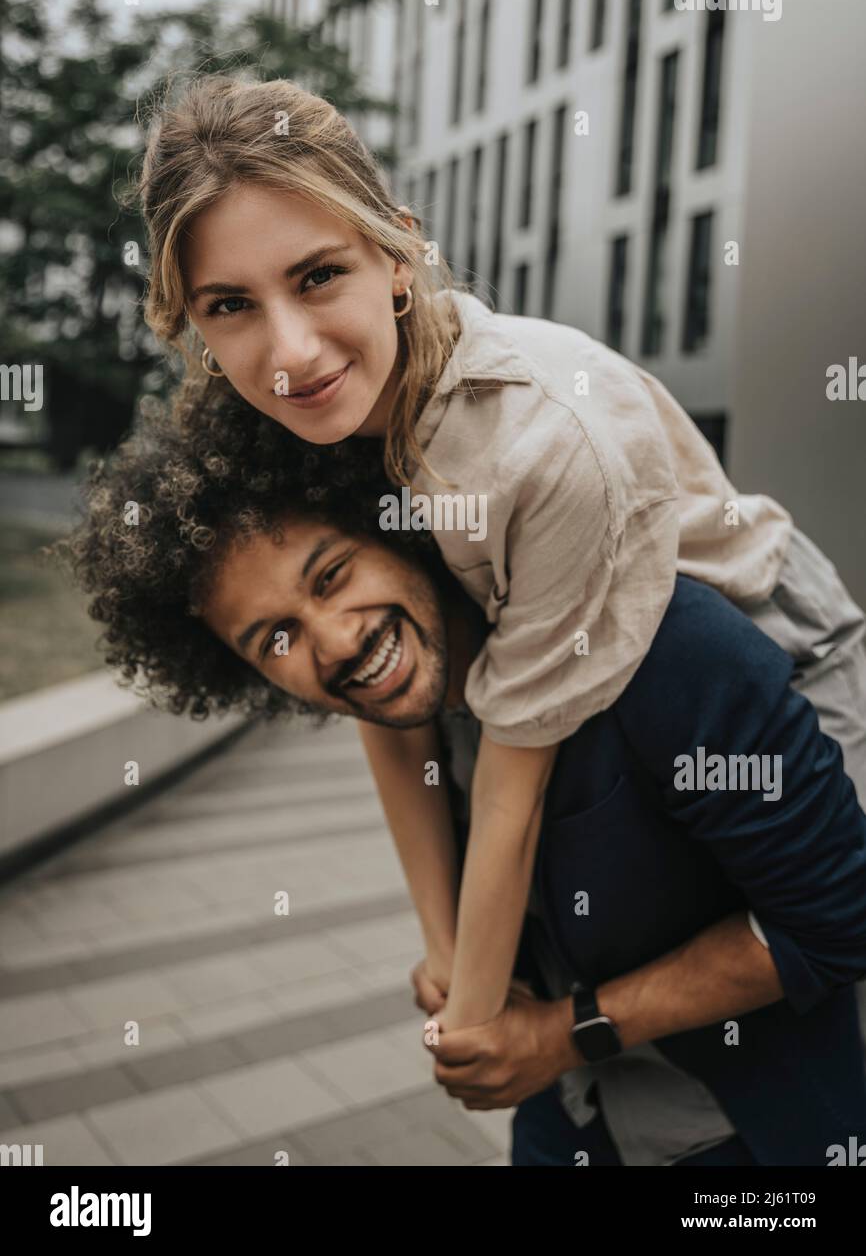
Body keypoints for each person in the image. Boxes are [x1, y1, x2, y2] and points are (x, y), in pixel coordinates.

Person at [132, 72, 866, 1037]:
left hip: (766, 662)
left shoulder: (544, 445)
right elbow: (386, 710)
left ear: (397, 252)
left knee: (809, 968)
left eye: (318, 276)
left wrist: (474, 1029)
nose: (292, 351)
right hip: (582, 684)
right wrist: (444, 950)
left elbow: (511, 789)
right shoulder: (322, 415)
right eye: (230, 306)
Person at [57, 385, 866, 1166]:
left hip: (751, 1135)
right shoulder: (416, 714)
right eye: (273, 639)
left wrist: (566, 1032)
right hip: (573, 1124)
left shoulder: (666, 648)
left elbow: (835, 920)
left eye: (332, 575)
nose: (333, 643)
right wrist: (467, 978)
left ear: (401, 529)